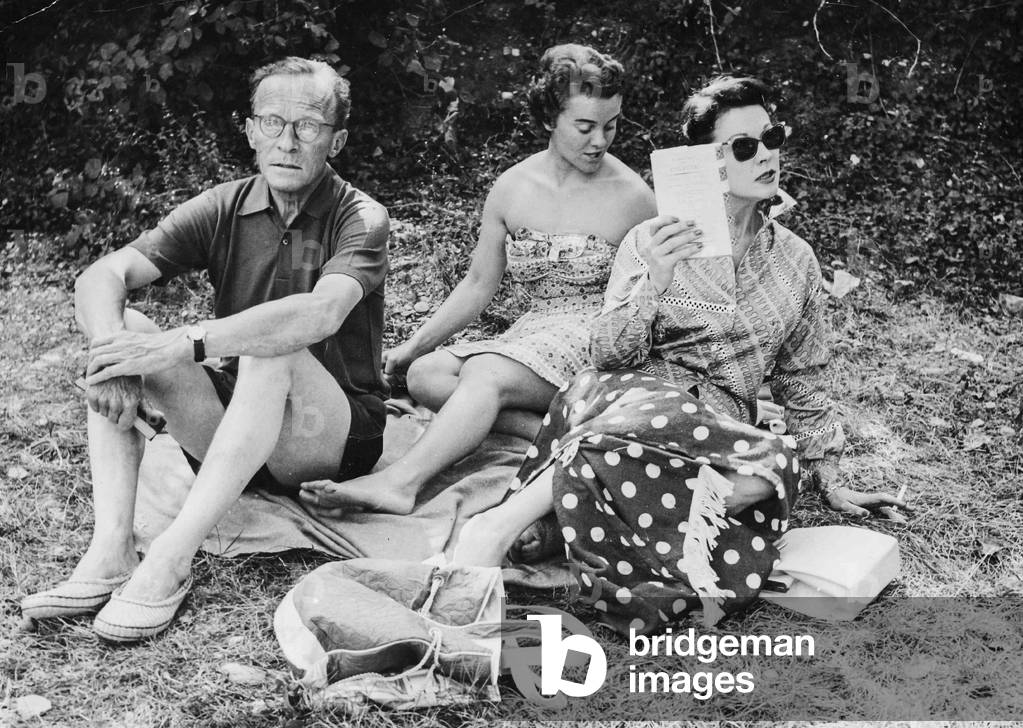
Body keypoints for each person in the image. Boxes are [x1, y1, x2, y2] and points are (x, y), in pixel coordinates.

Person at [452, 75, 910, 634]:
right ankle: (500, 528)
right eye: (745, 147)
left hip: (717, 430)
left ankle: (573, 512)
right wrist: (654, 280)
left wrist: (830, 476)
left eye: (773, 137)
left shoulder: (797, 259)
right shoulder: (651, 240)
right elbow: (607, 353)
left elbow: (803, 375)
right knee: (658, 418)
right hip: (628, 398)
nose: (766, 155)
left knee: (777, 467)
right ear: (708, 163)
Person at [20, 57, 390, 642]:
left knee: (275, 345)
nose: (287, 141)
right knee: (127, 330)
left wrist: (184, 344)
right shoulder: (224, 204)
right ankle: (112, 548)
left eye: (308, 127)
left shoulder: (361, 216)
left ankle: (170, 559)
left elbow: (318, 314)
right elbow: (103, 273)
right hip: (240, 431)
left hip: (330, 435)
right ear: (249, 132)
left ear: (336, 140)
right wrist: (113, 353)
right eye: (271, 122)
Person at [299, 44, 656, 516]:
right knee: (427, 375)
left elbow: (655, 299)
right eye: (585, 127)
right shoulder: (512, 186)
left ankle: (400, 483)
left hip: (596, 337)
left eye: (610, 126)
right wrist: (412, 349)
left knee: (483, 376)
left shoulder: (634, 197)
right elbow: (478, 283)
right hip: (535, 332)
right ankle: (562, 432)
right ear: (549, 119)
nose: (600, 141)